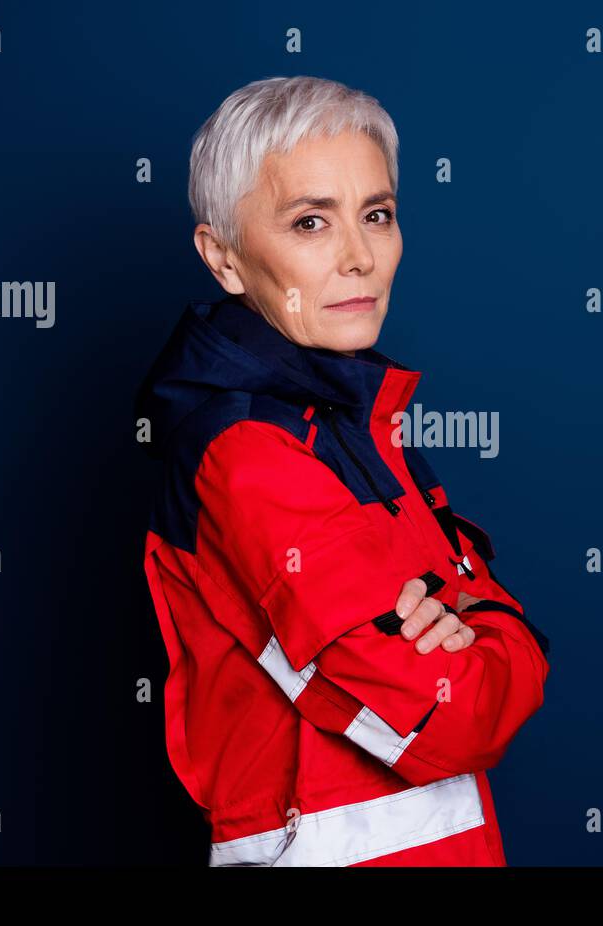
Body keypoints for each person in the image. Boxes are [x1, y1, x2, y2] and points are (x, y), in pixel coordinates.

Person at [134, 75, 550, 867]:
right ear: (222, 257)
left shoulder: (358, 427)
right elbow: (447, 717)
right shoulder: (247, 455)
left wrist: (481, 625)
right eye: (310, 222)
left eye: (378, 215)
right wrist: (480, 628)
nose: (359, 257)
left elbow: (507, 640)